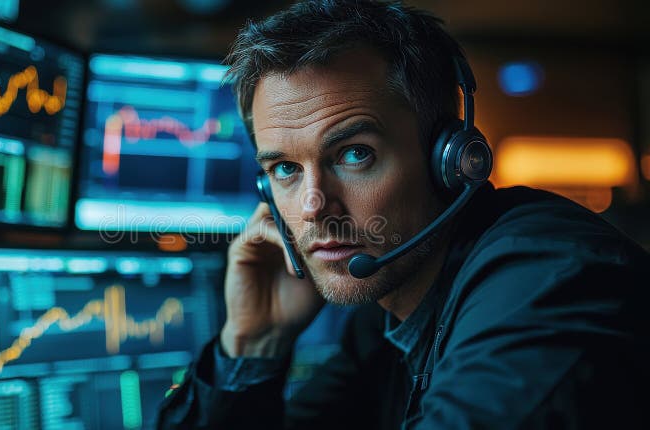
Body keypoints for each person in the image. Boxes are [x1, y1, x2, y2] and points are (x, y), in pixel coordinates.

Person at [157, 1, 650, 428]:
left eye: (354, 154)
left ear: (452, 160)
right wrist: (254, 345)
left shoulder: (551, 282)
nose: (311, 207)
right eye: (285, 168)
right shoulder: (386, 316)